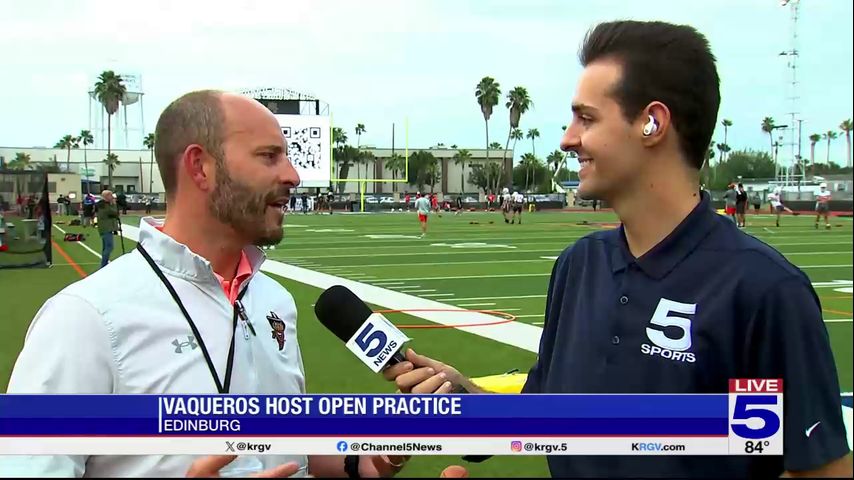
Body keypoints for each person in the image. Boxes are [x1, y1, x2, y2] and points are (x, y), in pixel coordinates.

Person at [383, 21, 852, 478]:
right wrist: (463, 399)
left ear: (652, 122)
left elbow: (821, 469)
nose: (568, 138)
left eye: (586, 118)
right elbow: (543, 417)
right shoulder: (578, 266)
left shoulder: (763, 291)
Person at [1, 90, 422, 478]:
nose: (293, 175)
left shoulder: (273, 300)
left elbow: (288, 447)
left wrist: (374, 455)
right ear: (200, 166)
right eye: (269, 156)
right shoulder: (85, 317)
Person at [95, 190, 119, 269]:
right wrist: (114, 204)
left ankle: (104, 264)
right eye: (111, 195)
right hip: (106, 228)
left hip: (105, 227)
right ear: (107, 196)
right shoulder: (104, 206)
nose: (112, 197)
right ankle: (103, 265)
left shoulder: (102, 205)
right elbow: (114, 213)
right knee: (109, 246)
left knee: (106, 247)